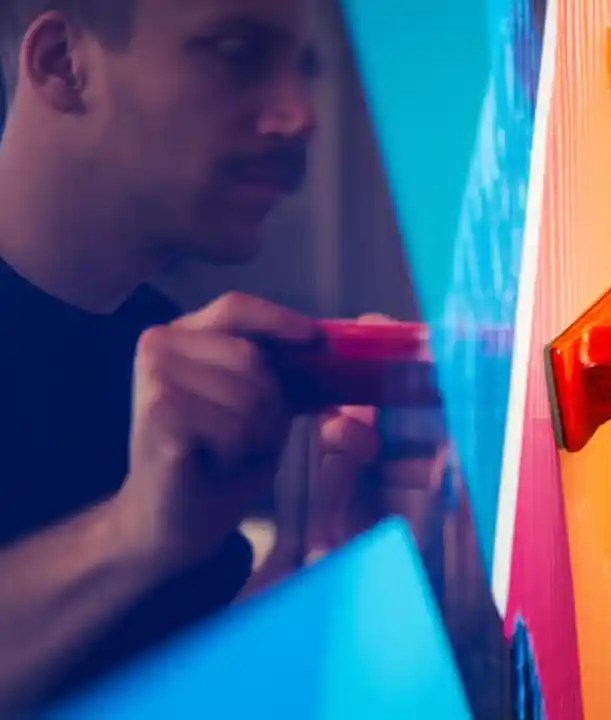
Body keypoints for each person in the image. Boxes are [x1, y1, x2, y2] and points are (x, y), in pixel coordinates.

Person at [0, 0, 376, 713]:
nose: (300, 116)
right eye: (235, 52)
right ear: (62, 65)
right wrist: (126, 536)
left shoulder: (164, 349)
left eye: (301, 66)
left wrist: (319, 559)